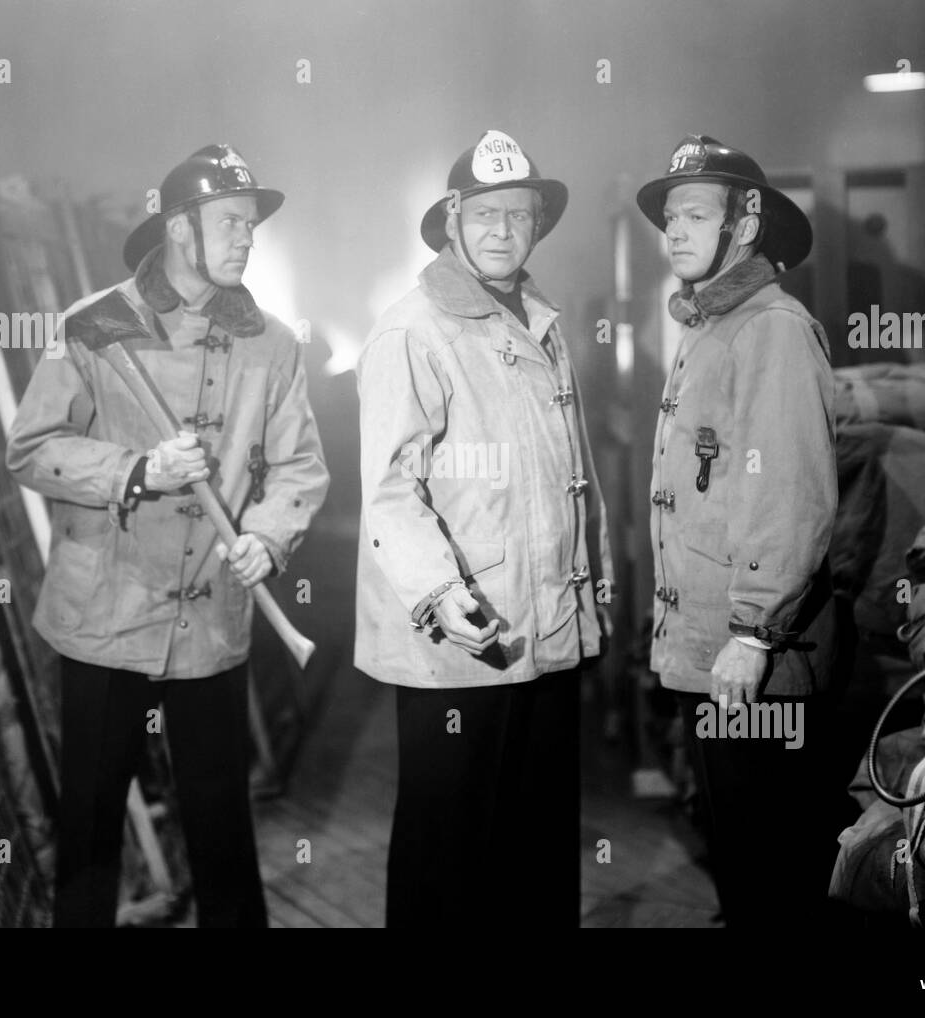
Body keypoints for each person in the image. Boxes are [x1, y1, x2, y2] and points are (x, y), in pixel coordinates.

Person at [7, 143, 329, 927]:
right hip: (105, 612)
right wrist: (137, 469)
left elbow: (300, 469)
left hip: (209, 618)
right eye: (229, 223)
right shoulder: (93, 326)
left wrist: (268, 536)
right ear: (179, 228)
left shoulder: (274, 344)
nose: (246, 239)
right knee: (88, 823)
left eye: (250, 226)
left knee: (221, 822)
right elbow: (31, 448)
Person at [355, 129, 612, 927]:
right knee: (447, 847)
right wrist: (439, 589)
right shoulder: (414, 331)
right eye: (485, 214)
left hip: (543, 623)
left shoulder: (536, 321)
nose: (502, 230)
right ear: (453, 221)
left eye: (520, 214)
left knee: (536, 840)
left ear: (536, 227)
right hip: (464, 635)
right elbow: (391, 488)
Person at [636, 134, 840, 927]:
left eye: (695, 213)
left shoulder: (772, 329)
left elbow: (789, 489)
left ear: (744, 227)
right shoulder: (709, 326)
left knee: (770, 866)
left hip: (749, 656)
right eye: (670, 216)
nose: (675, 231)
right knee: (738, 854)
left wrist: (755, 628)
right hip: (710, 654)